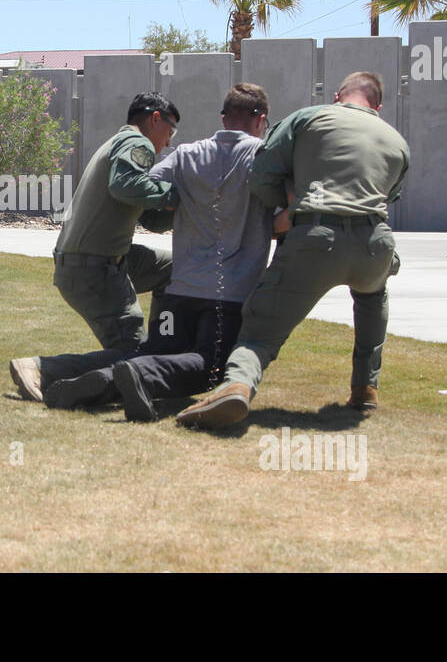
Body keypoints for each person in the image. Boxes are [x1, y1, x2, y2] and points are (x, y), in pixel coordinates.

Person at [176, 72, 411, 428]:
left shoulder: (309, 117)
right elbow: (389, 194)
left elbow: (262, 175)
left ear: (337, 97)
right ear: (377, 106)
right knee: (373, 298)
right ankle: (365, 387)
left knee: (261, 330)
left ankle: (237, 385)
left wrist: (281, 212)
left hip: (315, 237)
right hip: (375, 243)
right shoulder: (397, 141)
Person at [43, 84, 290, 421]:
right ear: (261, 120)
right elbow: (283, 216)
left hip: (178, 294)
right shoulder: (263, 158)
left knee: (161, 350)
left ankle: (95, 382)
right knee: (212, 366)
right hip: (227, 296)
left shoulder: (186, 154)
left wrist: (183, 206)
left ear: (223, 118)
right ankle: (139, 376)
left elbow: (143, 199)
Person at [8, 92, 179, 402]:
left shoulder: (116, 144)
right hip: (95, 269)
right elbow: (126, 186)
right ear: (155, 119)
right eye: (171, 130)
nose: (168, 142)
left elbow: (150, 219)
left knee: (175, 267)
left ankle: (163, 344)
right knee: (136, 357)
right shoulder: (137, 144)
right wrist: (178, 194)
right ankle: (42, 369)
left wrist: (181, 211)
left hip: (88, 263)